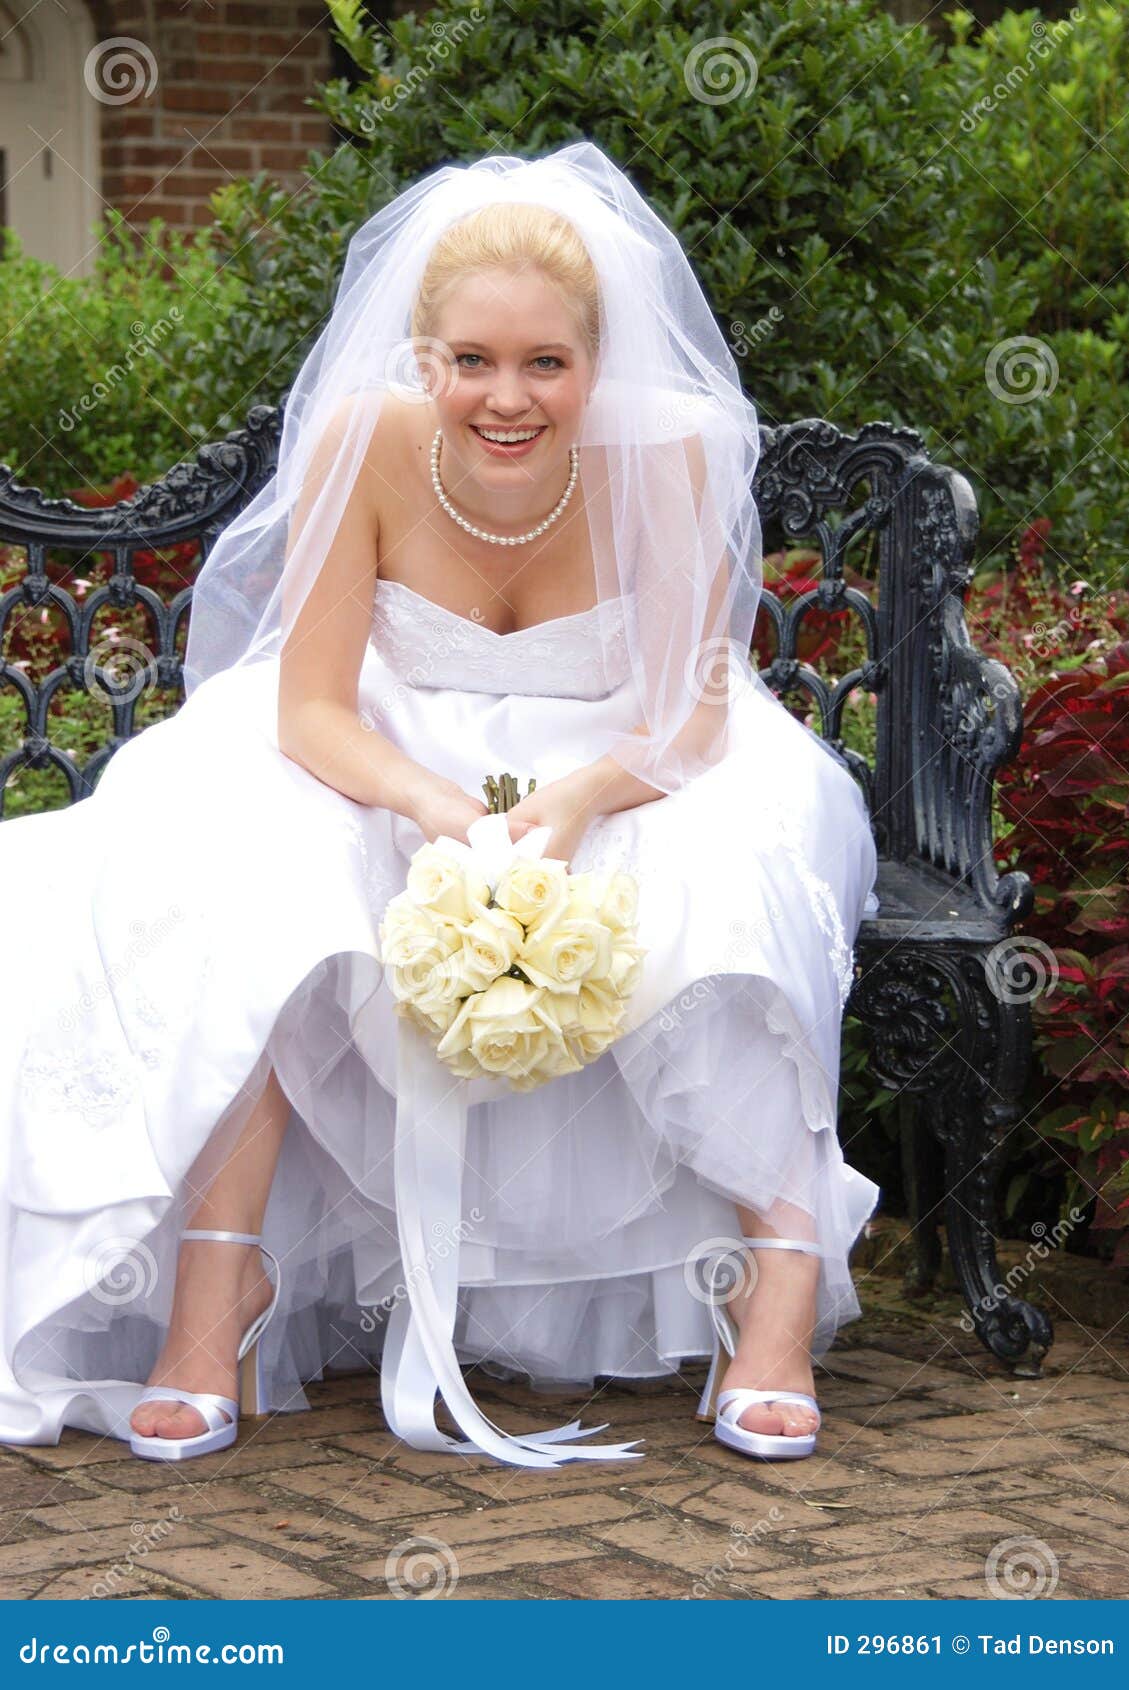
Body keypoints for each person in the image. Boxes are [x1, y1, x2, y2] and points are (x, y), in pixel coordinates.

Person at [0, 141, 879, 1470]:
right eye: (471, 360)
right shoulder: (367, 441)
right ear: (423, 359)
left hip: (628, 752)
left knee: (723, 869)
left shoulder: (680, 452)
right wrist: (422, 801)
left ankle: (779, 1274)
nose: (507, 398)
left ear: (600, 359)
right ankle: (215, 1282)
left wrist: (583, 796)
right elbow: (307, 711)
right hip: (389, 738)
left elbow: (697, 710)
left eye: (546, 364)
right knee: (272, 866)